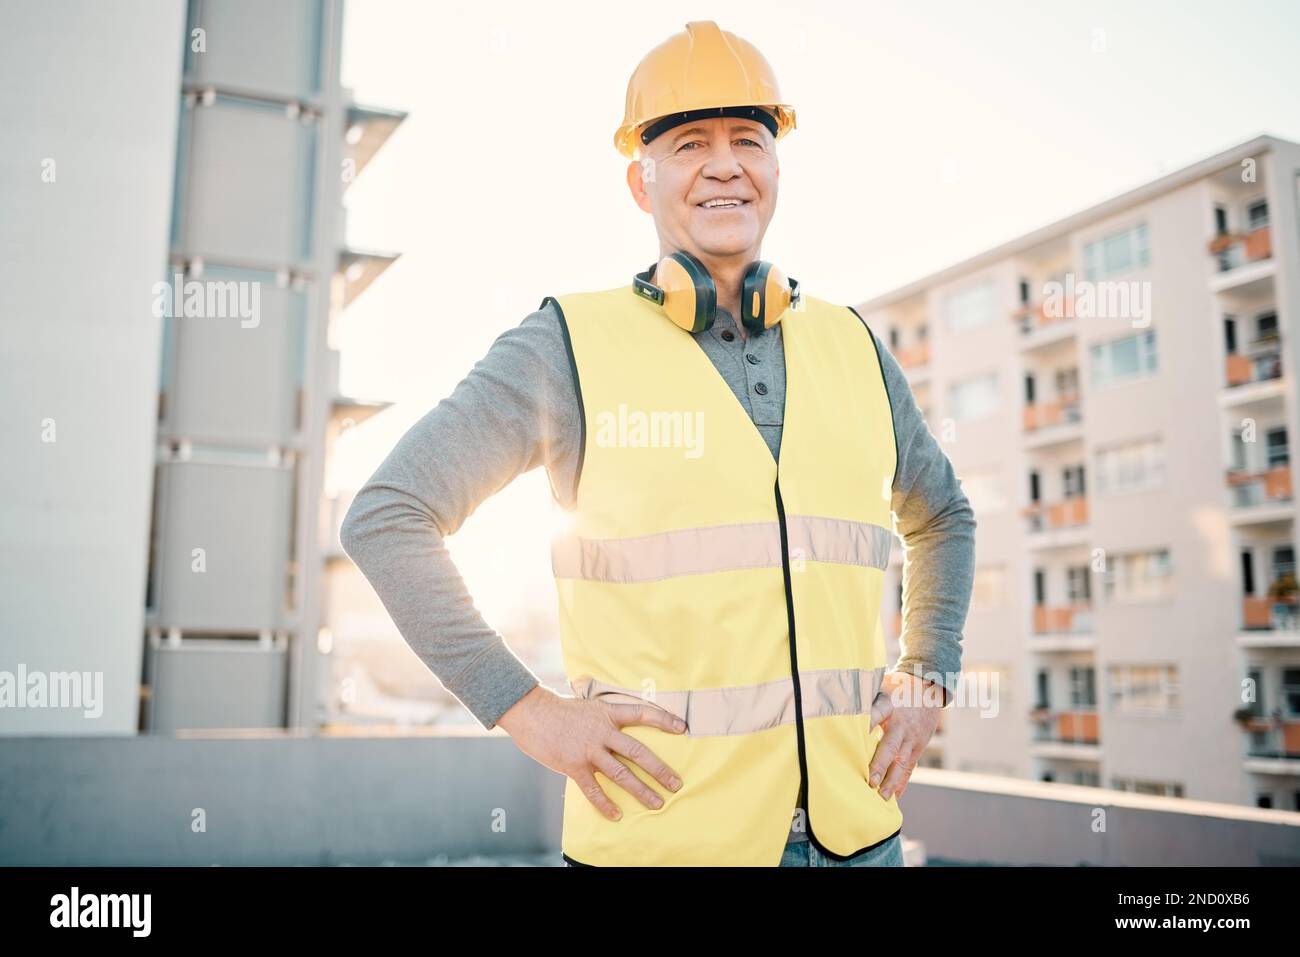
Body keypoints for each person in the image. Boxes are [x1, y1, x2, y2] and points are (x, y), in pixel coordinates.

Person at [340, 20, 975, 867]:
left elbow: (944, 515)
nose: (723, 164)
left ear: (776, 171)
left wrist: (926, 675)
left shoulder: (853, 345)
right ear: (642, 183)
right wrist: (527, 710)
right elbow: (387, 515)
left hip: (861, 839)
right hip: (663, 845)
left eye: (747, 139)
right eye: (688, 144)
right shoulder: (564, 346)